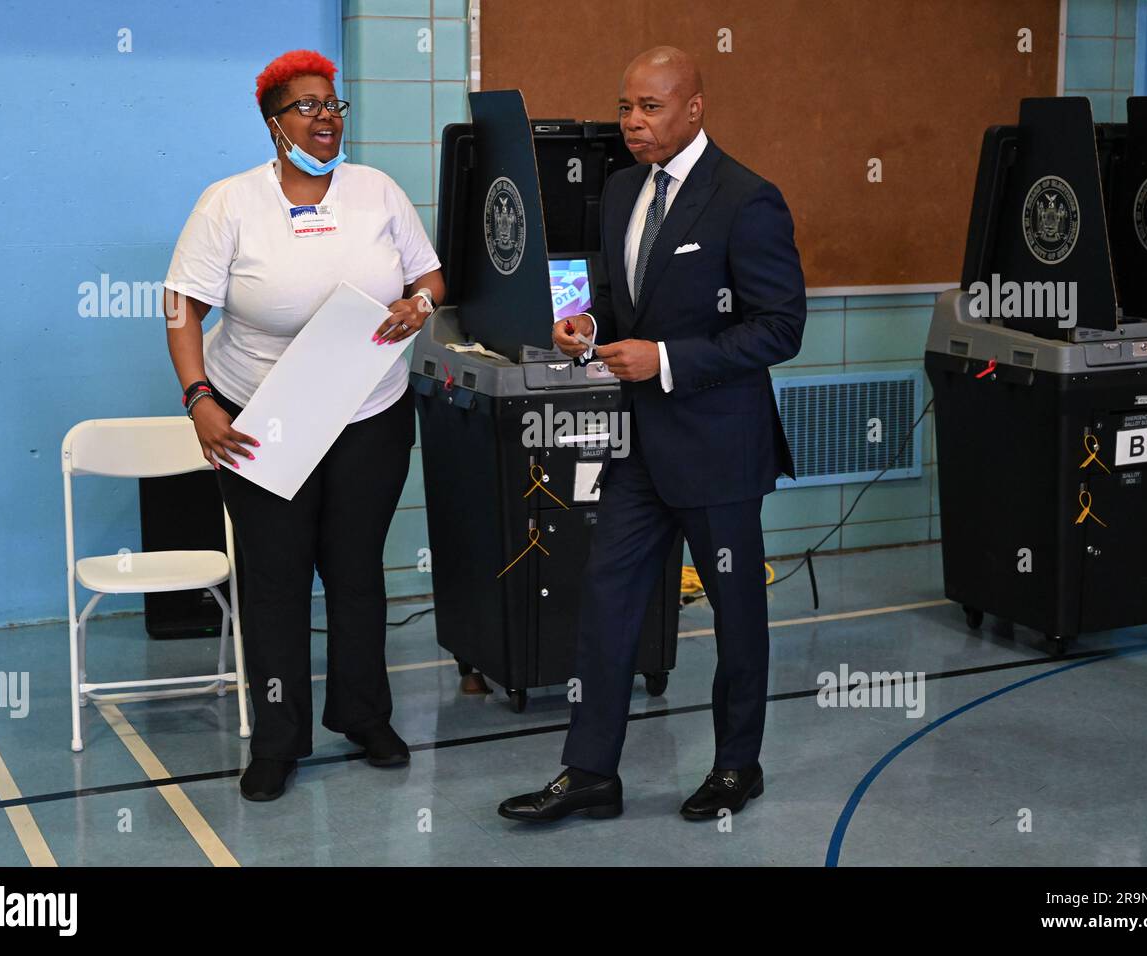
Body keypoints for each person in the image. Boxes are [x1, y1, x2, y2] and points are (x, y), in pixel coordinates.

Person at [499, 46, 806, 823]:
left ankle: (739, 765)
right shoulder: (623, 189)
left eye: (651, 108)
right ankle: (590, 771)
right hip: (638, 450)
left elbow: (780, 329)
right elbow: (616, 294)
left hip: (720, 452)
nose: (633, 124)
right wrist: (587, 324)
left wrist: (666, 359)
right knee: (606, 604)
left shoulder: (748, 200)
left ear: (694, 108)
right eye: (627, 107)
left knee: (737, 617)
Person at [162, 49, 445, 802]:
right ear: (273, 124)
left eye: (333, 104)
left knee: (355, 572)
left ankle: (363, 716)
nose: (326, 118)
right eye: (307, 107)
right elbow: (182, 305)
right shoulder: (228, 203)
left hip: (369, 414)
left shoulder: (377, 191)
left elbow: (430, 277)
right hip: (261, 418)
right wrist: (199, 398)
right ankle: (278, 739)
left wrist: (419, 306)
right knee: (277, 580)